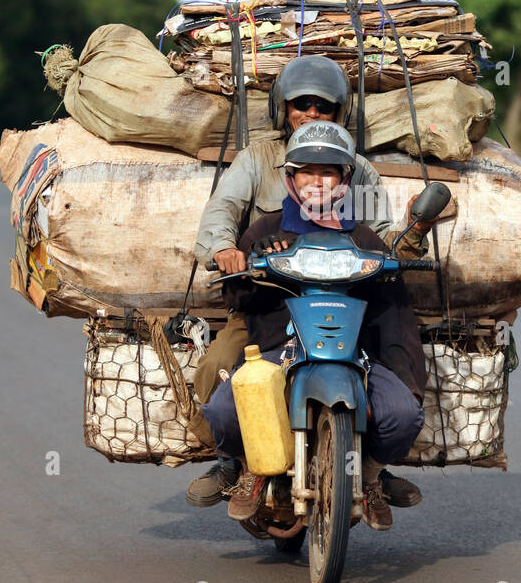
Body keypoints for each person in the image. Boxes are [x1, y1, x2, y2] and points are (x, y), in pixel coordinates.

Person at [186, 54, 439, 508]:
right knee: (220, 368)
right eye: (301, 104)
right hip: (270, 296)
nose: (311, 115)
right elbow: (223, 209)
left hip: (345, 298)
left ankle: (373, 468)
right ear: (281, 109)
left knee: (396, 348)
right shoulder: (260, 160)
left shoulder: (355, 166)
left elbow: (381, 235)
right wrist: (228, 250)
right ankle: (236, 462)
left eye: (323, 107)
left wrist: (407, 241)